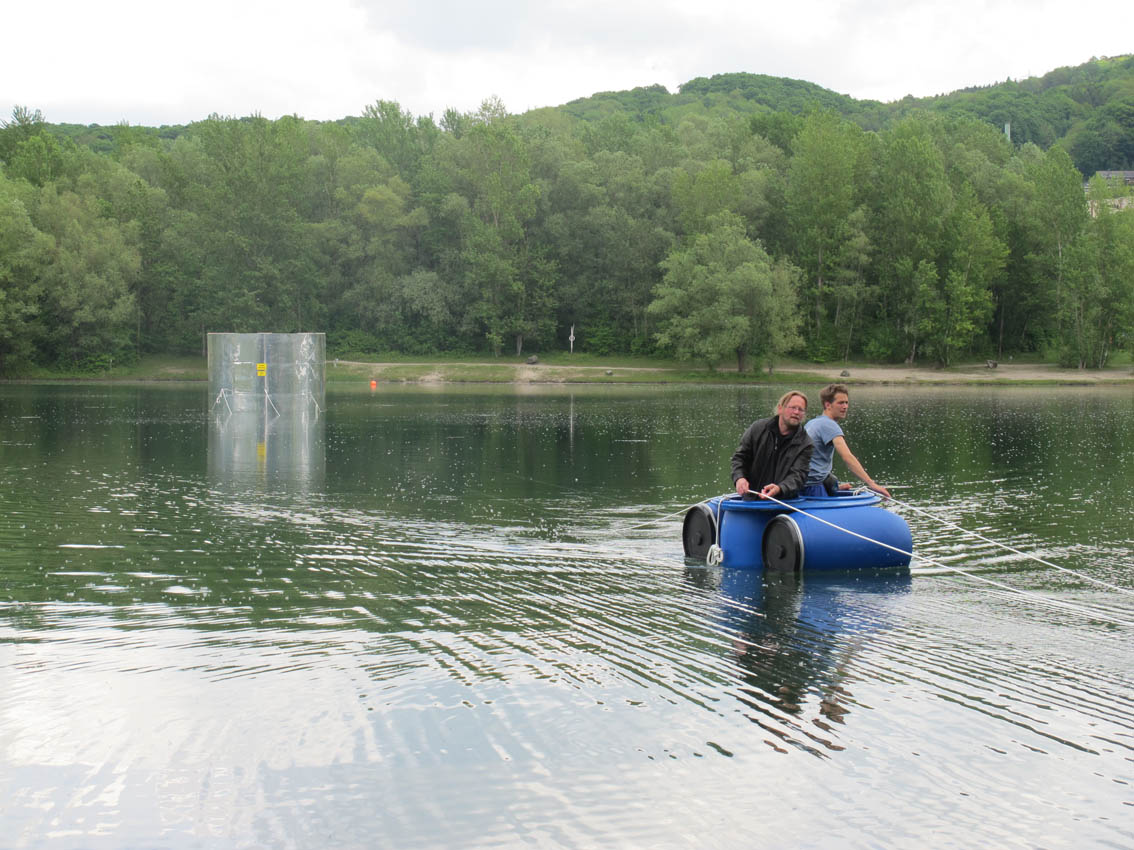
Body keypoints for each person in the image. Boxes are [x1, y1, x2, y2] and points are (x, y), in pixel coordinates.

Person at [802, 383, 891, 499]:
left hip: (802, 484)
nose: (845, 406)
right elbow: (847, 457)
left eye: (846, 402)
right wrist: (872, 484)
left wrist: (834, 488)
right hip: (812, 488)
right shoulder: (829, 425)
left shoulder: (812, 423)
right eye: (840, 403)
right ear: (828, 405)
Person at [731, 390, 813, 500]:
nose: (796, 412)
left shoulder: (805, 443)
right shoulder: (758, 429)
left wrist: (780, 488)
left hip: (783, 503)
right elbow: (739, 458)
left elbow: (798, 476)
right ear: (780, 408)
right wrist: (739, 478)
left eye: (801, 410)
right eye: (793, 407)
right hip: (751, 500)